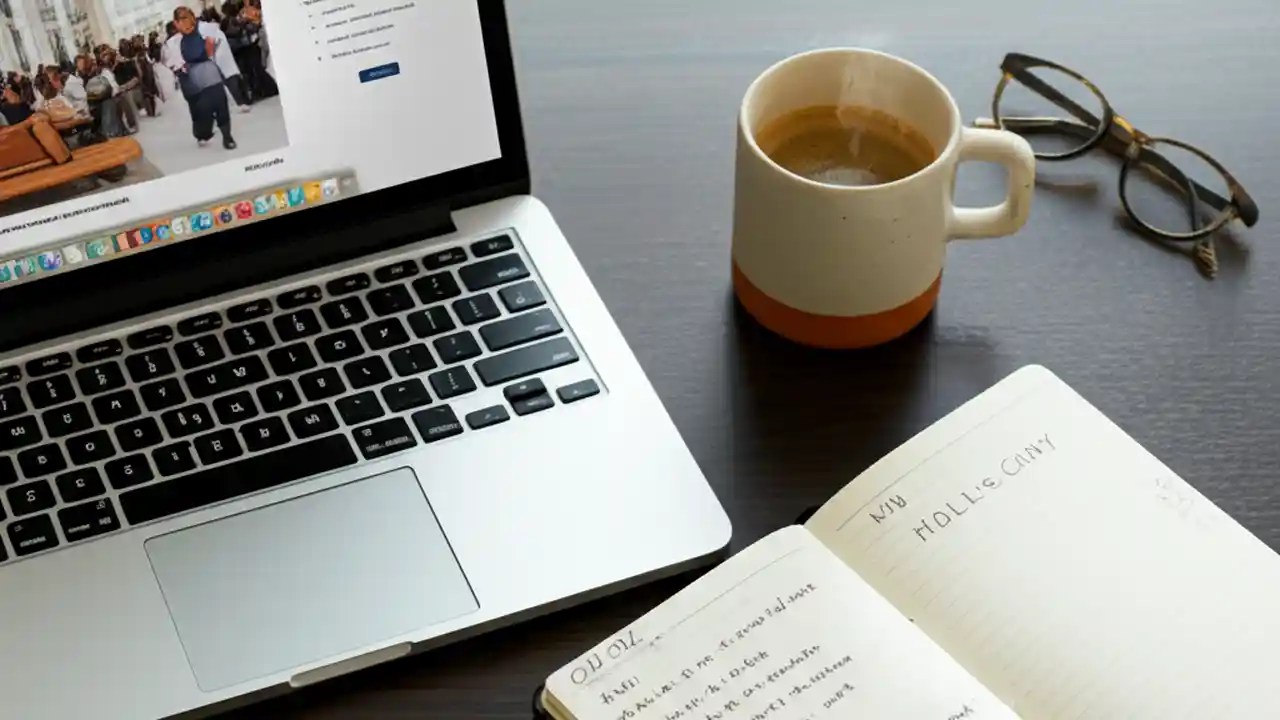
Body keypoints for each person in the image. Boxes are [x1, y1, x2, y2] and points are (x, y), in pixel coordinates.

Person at [173, 6, 236, 149]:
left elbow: (217, 48)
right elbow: (173, 62)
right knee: (201, 109)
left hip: (209, 71)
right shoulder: (175, 42)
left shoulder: (207, 29)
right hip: (190, 79)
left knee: (220, 103)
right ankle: (203, 133)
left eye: (187, 17)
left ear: (193, 18)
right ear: (176, 24)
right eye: (180, 20)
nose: (184, 22)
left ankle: (227, 136)